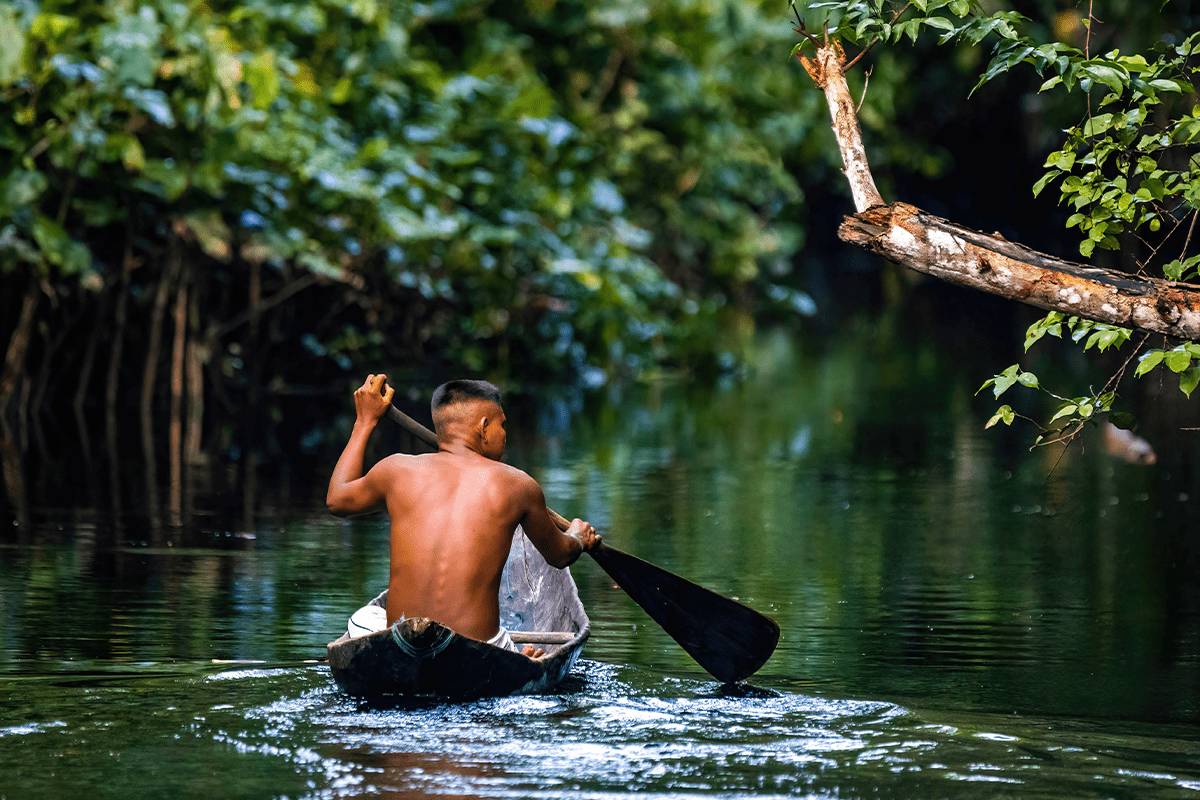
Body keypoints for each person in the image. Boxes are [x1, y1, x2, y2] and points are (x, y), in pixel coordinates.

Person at [326, 374, 600, 658]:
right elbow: (559, 556)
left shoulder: (396, 469)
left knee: (368, 617)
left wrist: (364, 422)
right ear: (483, 427)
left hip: (401, 642)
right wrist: (578, 537)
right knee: (505, 647)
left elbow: (337, 500)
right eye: (502, 424)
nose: (505, 434)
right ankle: (516, 657)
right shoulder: (519, 486)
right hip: (477, 651)